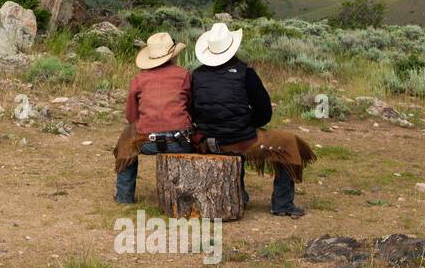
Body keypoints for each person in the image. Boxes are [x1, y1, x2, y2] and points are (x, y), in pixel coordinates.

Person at [190, 22, 306, 218]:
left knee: (236, 141)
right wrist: (245, 121)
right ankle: (283, 203)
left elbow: (193, 109)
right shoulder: (246, 72)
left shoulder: (197, 75)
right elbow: (264, 112)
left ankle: (239, 193)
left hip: (208, 141)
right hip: (240, 139)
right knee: (288, 143)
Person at [114, 32, 194, 204]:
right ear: (173, 55)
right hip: (181, 140)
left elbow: (131, 116)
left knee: (126, 145)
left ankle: (124, 196)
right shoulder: (184, 75)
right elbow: (190, 106)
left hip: (147, 142)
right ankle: (189, 195)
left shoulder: (139, 79)